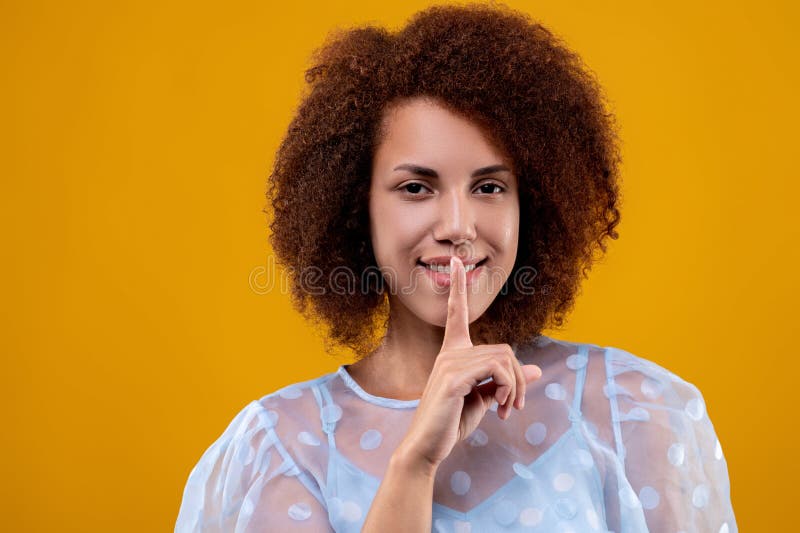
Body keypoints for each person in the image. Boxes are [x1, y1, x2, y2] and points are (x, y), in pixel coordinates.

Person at [175, 3, 737, 532]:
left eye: (489, 186)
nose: (458, 226)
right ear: (354, 206)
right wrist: (413, 464)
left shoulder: (632, 411)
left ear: (531, 207)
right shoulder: (277, 448)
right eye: (416, 188)